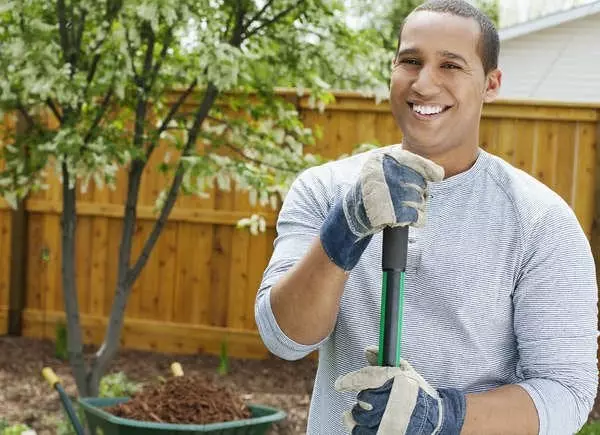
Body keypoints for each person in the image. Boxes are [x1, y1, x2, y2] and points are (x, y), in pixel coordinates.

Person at [254, 0, 599, 433]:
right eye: (410, 61)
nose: (423, 82)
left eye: (451, 65)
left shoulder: (540, 221)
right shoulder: (326, 190)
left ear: (491, 84)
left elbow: (566, 394)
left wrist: (441, 416)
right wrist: (344, 231)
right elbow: (284, 338)